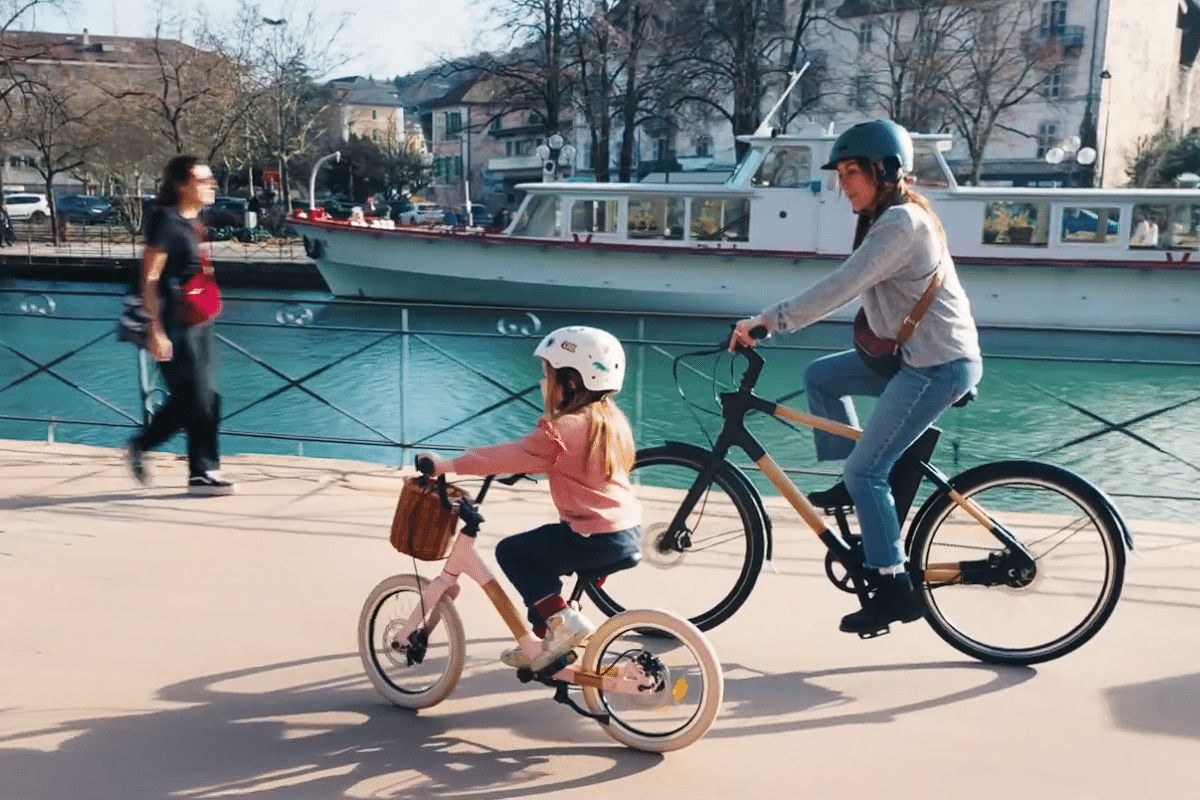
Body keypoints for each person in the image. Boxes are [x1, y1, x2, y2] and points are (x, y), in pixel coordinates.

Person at [729, 119, 981, 636]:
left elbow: (841, 286)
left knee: (868, 471)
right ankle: (855, 490)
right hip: (915, 359)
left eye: (852, 172)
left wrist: (766, 321)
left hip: (937, 366)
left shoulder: (901, 224)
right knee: (821, 377)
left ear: (885, 172)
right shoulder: (890, 216)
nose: (843, 184)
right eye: (840, 173)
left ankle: (893, 589)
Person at [420, 326, 641, 671]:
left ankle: (563, 623)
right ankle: (542, 642)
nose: (542, 384)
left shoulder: (561, 430)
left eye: (546, 376)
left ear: (569, 383)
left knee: (513, 552)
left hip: (590, 536)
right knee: (540, 564)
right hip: (625, 534)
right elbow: (575, 465)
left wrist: (446, 464)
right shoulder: (612, 422)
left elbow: (508, 455)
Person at [125, 155, 236, 496]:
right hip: (174, 321)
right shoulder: (166, 221)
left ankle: (146, 446)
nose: (211, 185)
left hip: (199, 320)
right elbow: (149, 277)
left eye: (211, 179)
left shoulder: (193, 221)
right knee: (198, 398)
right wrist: (155, 330)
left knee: (204, 397)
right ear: (181, 185)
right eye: (203, 180)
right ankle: (201, 473)